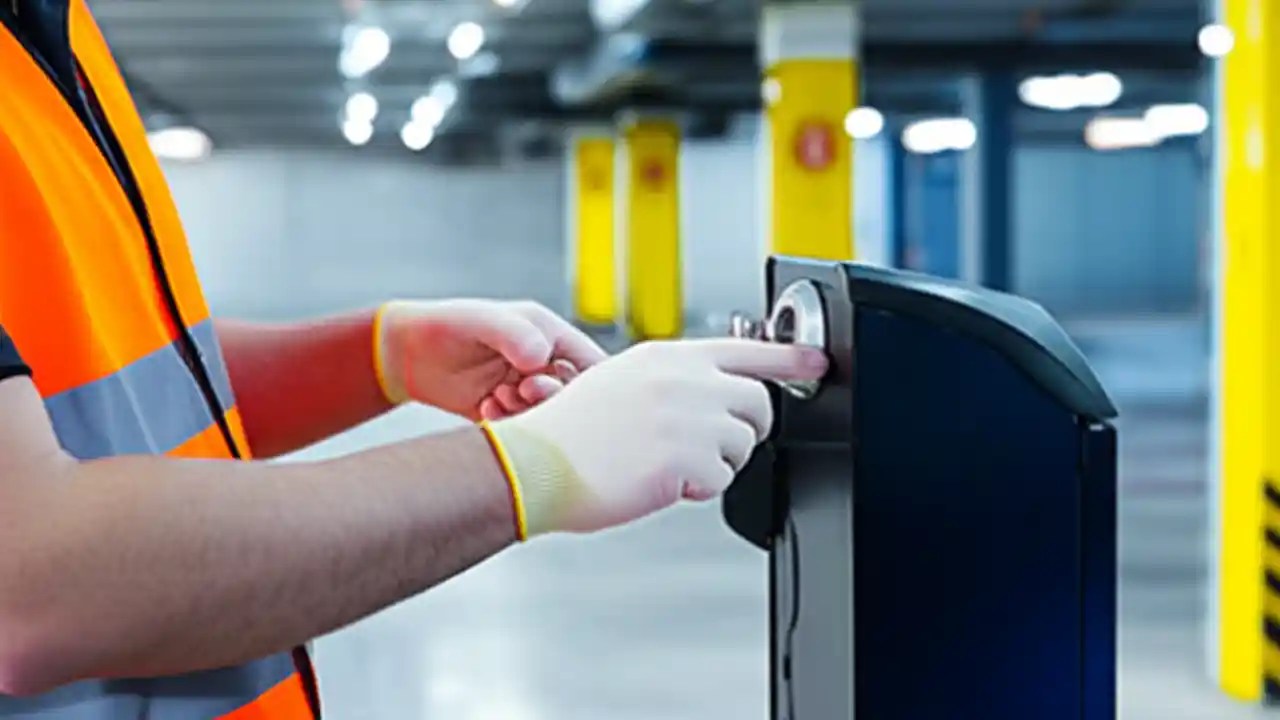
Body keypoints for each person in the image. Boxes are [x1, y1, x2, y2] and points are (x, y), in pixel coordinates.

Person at [0, 0, 828, 717]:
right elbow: (29, 588)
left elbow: (114, 393)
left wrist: (377, 357)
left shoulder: (50, 35)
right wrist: (535, 468)